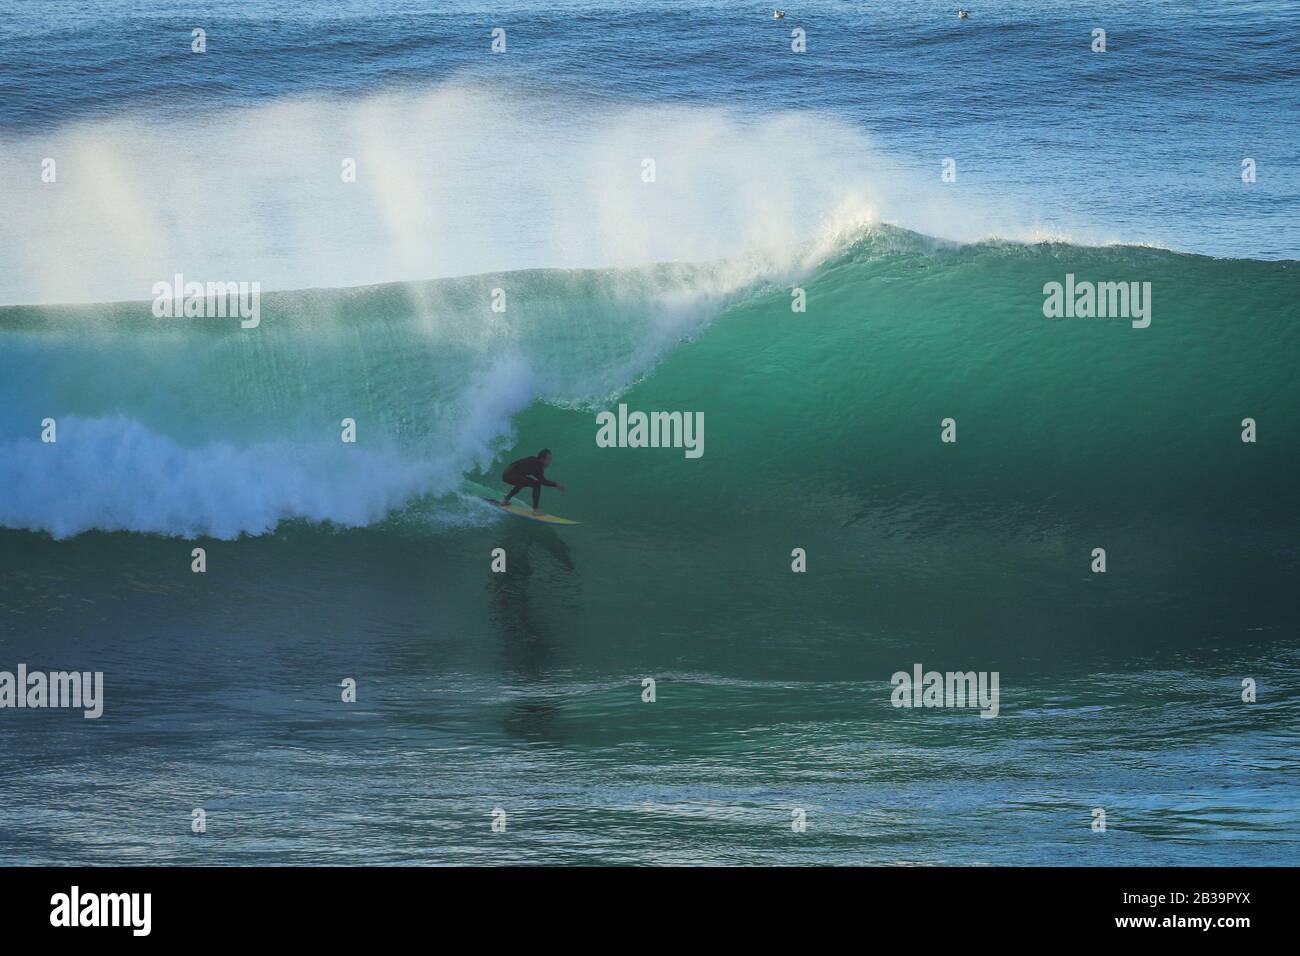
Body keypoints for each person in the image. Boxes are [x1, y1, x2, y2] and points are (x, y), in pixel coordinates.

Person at [501, 449, 565, 515]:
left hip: (507, 473)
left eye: (550, 459)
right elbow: (543, 481)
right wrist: (556, 484)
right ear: (542, 459)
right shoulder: (537, 466)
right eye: (548, 459)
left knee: (522, 482)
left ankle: (506, 500)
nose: (550, 461)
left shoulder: (533, 460)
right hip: (510, 475)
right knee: (536, 485)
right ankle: (536, 509)